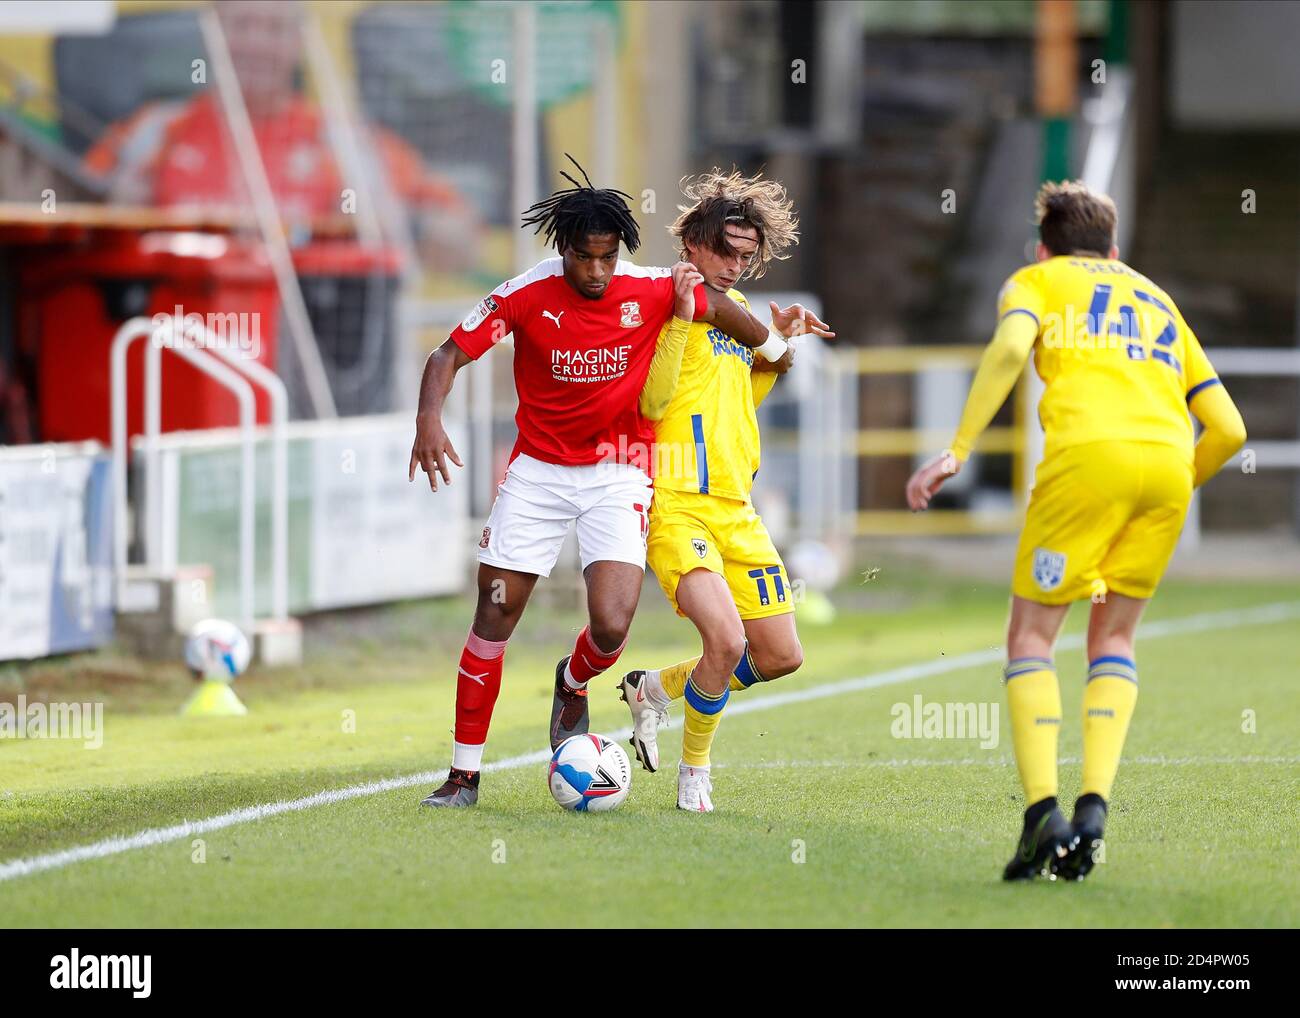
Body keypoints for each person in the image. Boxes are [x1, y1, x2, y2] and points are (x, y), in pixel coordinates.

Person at [408, 158, 782, 808]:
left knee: (610, 626)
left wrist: (776, 348)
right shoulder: (525, 293)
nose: (598, 271)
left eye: (609, 257)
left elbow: (720, 308)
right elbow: (448, 354)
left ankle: (574, 680)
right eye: (585, 257)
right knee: (494, 614)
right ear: (564, 251)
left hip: (618, 471)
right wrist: (428, 421)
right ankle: (463, 775)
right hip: (538, 474)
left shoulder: (650, 288)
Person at [905, 181, 1247, 879]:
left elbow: (1010, 351)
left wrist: (958, 450)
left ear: (1043, 249)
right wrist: (1171, 487)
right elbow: (1230, 429)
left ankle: (1042, 815)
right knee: (1114, 639)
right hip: (1168, 470)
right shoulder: (1156, 298)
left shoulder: (1035, 281)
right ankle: (1093, 809)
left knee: (1032, 639)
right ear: (1113, 250)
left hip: (1087, 463)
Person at [619, 170, 833, 812]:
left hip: (739, 509)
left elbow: (740, 401)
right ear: (693, 242)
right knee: (727, 641)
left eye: (747, 255)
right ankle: (695, 774)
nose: (736, 266)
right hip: (678, 503)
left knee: (780, 655)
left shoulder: (736, 315)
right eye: (726, 251)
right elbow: (652, 402)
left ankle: (654, 690)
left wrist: (778, 347)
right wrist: (686, 319)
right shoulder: (667, 305)